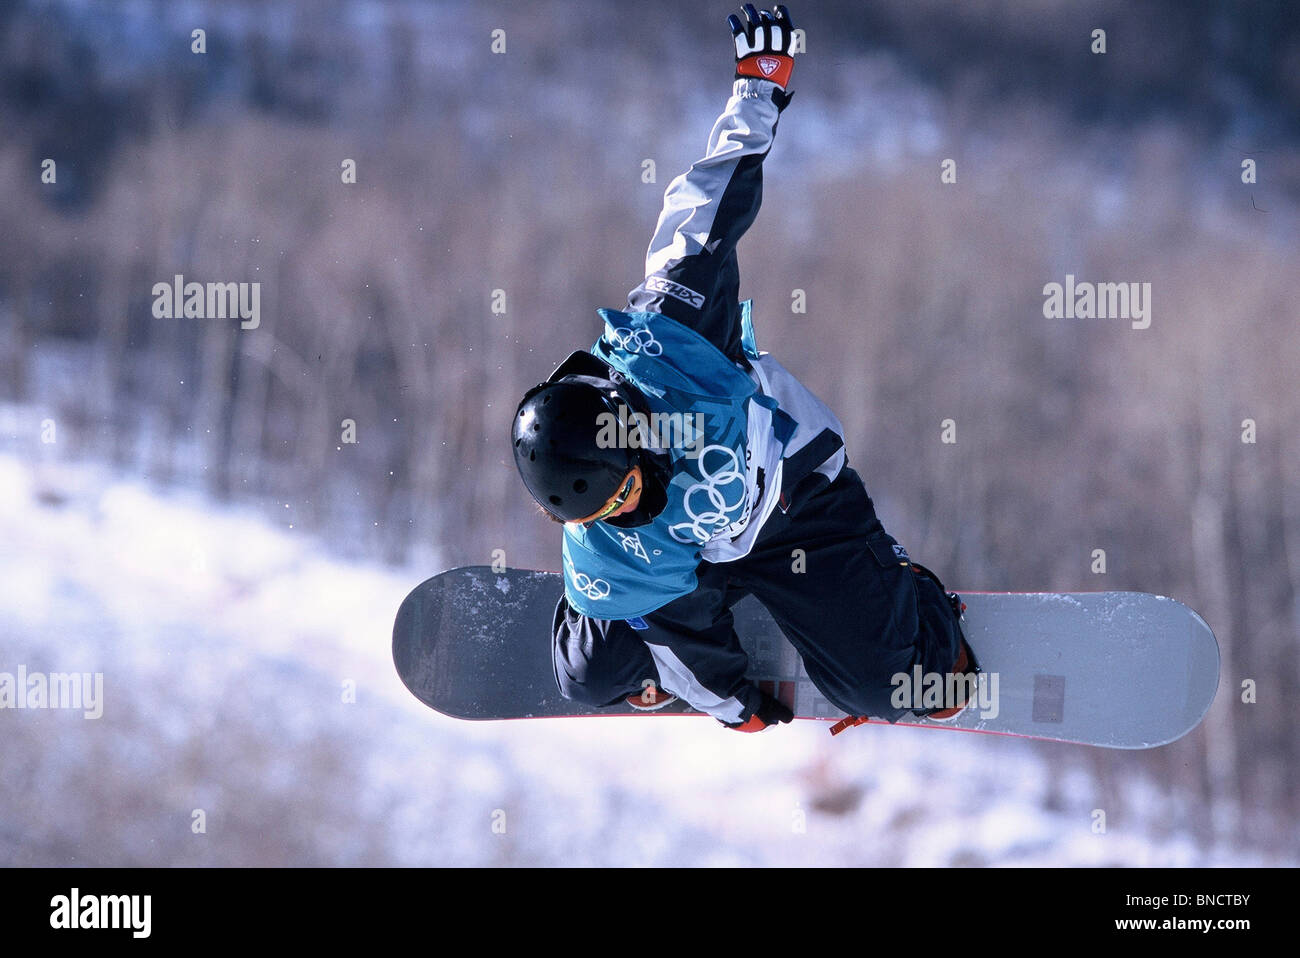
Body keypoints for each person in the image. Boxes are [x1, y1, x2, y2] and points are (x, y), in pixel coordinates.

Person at [511, 4, 976, 733]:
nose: (626, 510)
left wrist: (758, 90)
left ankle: (906, 602)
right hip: (692, 563)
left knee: (900, 690)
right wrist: (734, 704)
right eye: (602, 513)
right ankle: (605, 611)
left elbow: (704, 206)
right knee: (585, 675)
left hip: (797, 512)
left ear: (631, 431)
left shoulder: (672, 339)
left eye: (626, 490)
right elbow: (682, 630)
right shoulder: (606, 532)